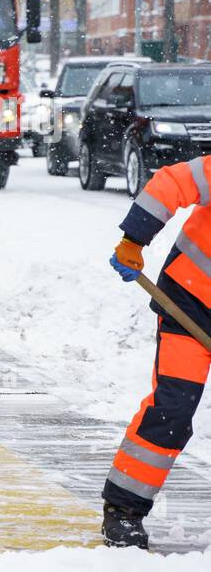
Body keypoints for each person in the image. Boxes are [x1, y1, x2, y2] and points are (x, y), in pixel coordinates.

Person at [105, 156, 211, 549]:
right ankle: (124, 510)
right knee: (173, 410)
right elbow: (171, 183)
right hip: (190, 305)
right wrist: (134, 238)